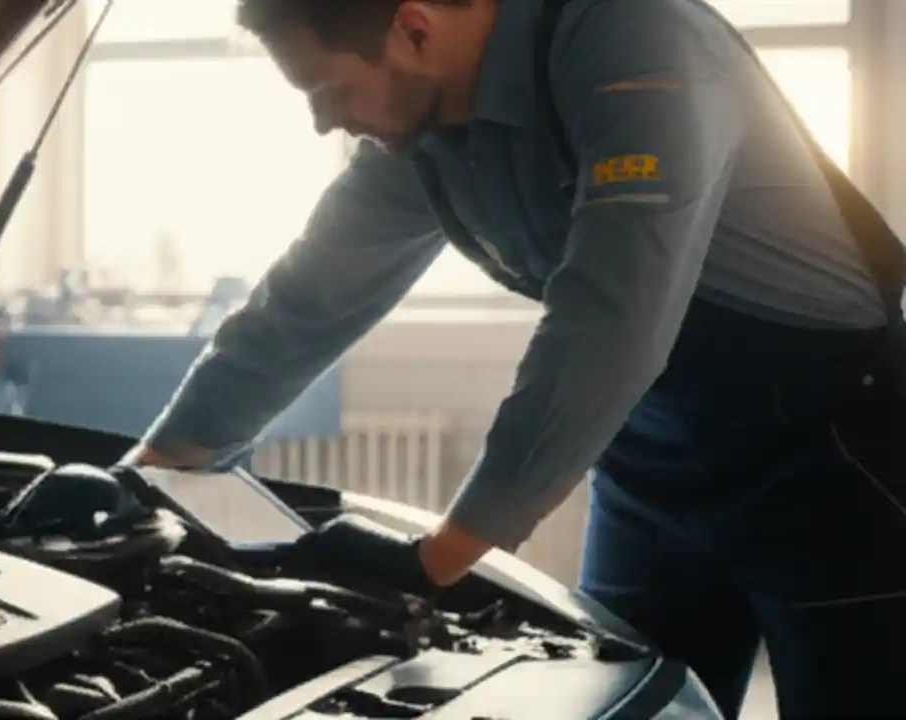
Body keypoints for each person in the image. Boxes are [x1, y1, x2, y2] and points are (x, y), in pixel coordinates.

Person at [119, 0, 906, 716]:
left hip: (830, 461)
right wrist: (140, 480)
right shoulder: (425, 134)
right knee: (627, 706)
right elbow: (301, 305)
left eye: (324, 90)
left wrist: (434, 560)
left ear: (415, 30)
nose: (326, 123)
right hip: (650, 460)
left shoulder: (635, 39)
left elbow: (610, 315)